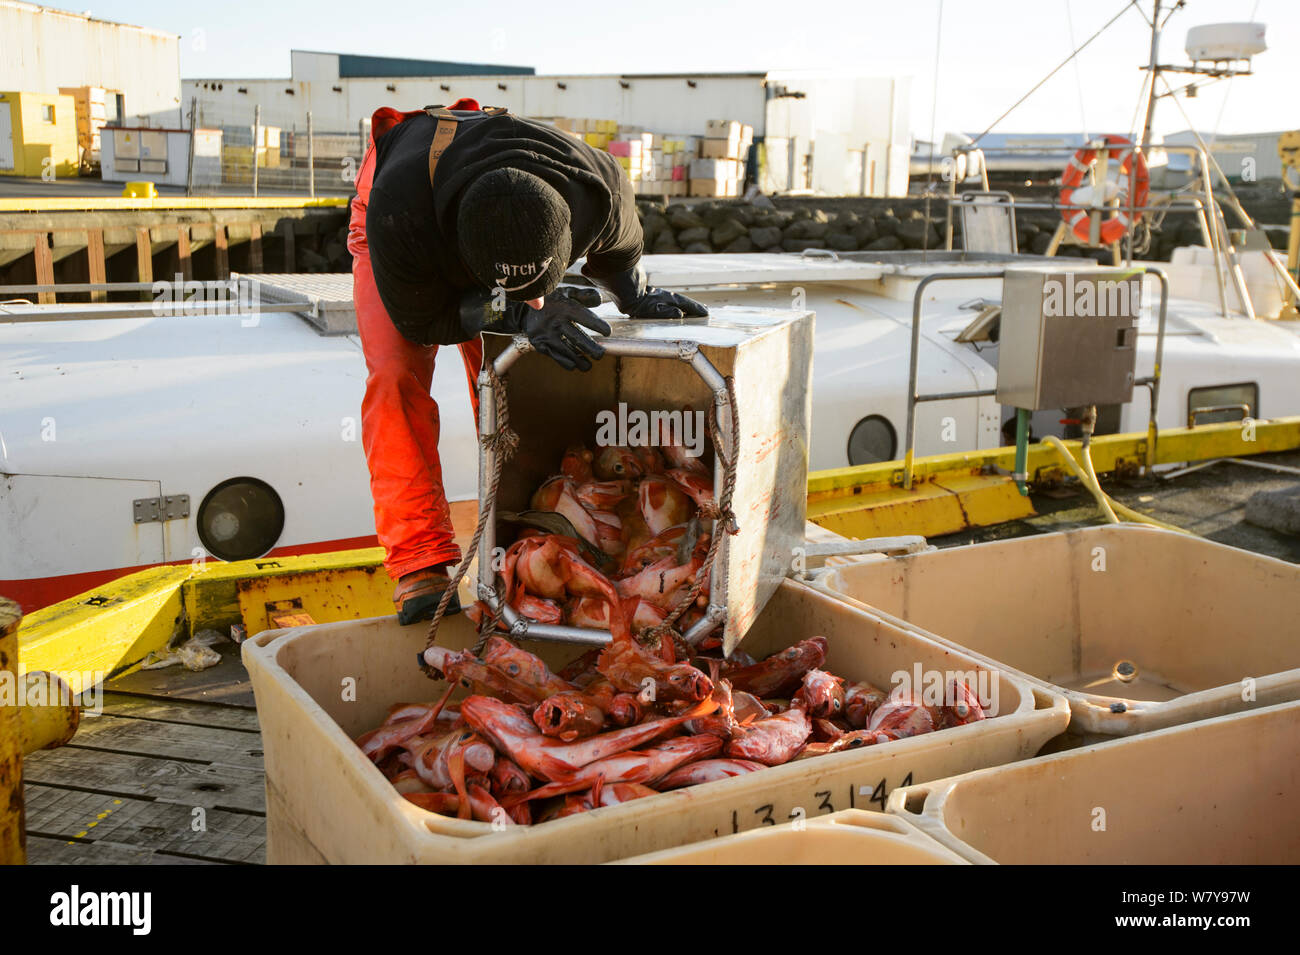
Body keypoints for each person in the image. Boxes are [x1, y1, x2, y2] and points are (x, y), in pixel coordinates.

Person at [347, 98, 708, 624]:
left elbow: (619, 259)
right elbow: (424, 323)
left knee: (506, 377)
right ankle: (419, 561)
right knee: (394, 378)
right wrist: (518, 315)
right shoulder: (398, 212)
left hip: (496, 200)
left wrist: (636, 299)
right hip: (416, 209)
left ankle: (530, 539)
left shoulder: (596, 188)